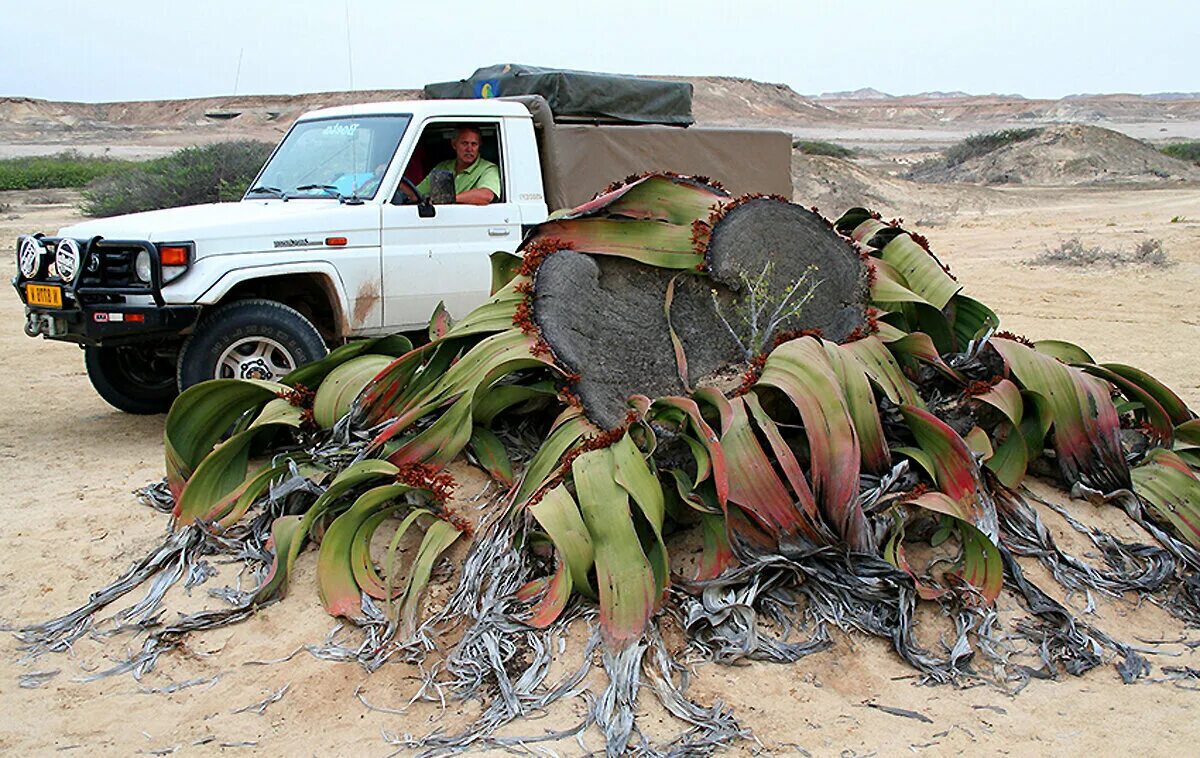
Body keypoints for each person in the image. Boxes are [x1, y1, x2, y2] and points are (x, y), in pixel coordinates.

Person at [403, 126, 500, 205]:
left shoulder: (488, 169)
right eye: (464, 143)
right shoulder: (442, 167)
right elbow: (416, 194)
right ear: (454, 145)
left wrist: (449, 199)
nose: (469, 149)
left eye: (474, 144)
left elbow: (486, 195)